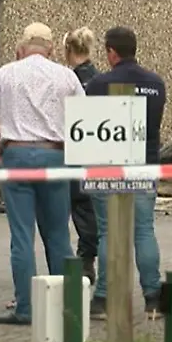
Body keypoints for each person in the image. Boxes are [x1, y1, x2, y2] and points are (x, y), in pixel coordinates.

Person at [0, 22, 81, 326]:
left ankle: (25, 308)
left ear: (21, 47)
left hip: (17, 154)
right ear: (50, 48)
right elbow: (81, 120)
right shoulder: (66, 75)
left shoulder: (6, 73)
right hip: (54, 154)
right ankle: (66, 307)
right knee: (59, 234)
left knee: (22, 236)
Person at [86, 26, 166, 320]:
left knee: (109, 231)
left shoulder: (98, 84)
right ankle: (154, 298)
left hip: (107, 166)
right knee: (144, 230)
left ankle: (104, 299)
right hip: (144, 165)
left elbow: (91, 128)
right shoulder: (156, 84)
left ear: (111, 52)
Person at [63, 26, 99, 284]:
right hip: (95, 152)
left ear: (68, 51)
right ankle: (87, 257)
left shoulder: (68, 80)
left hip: (71, 153)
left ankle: (77, 261)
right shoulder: (100, 79)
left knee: (70, 209)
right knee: (88, 209)